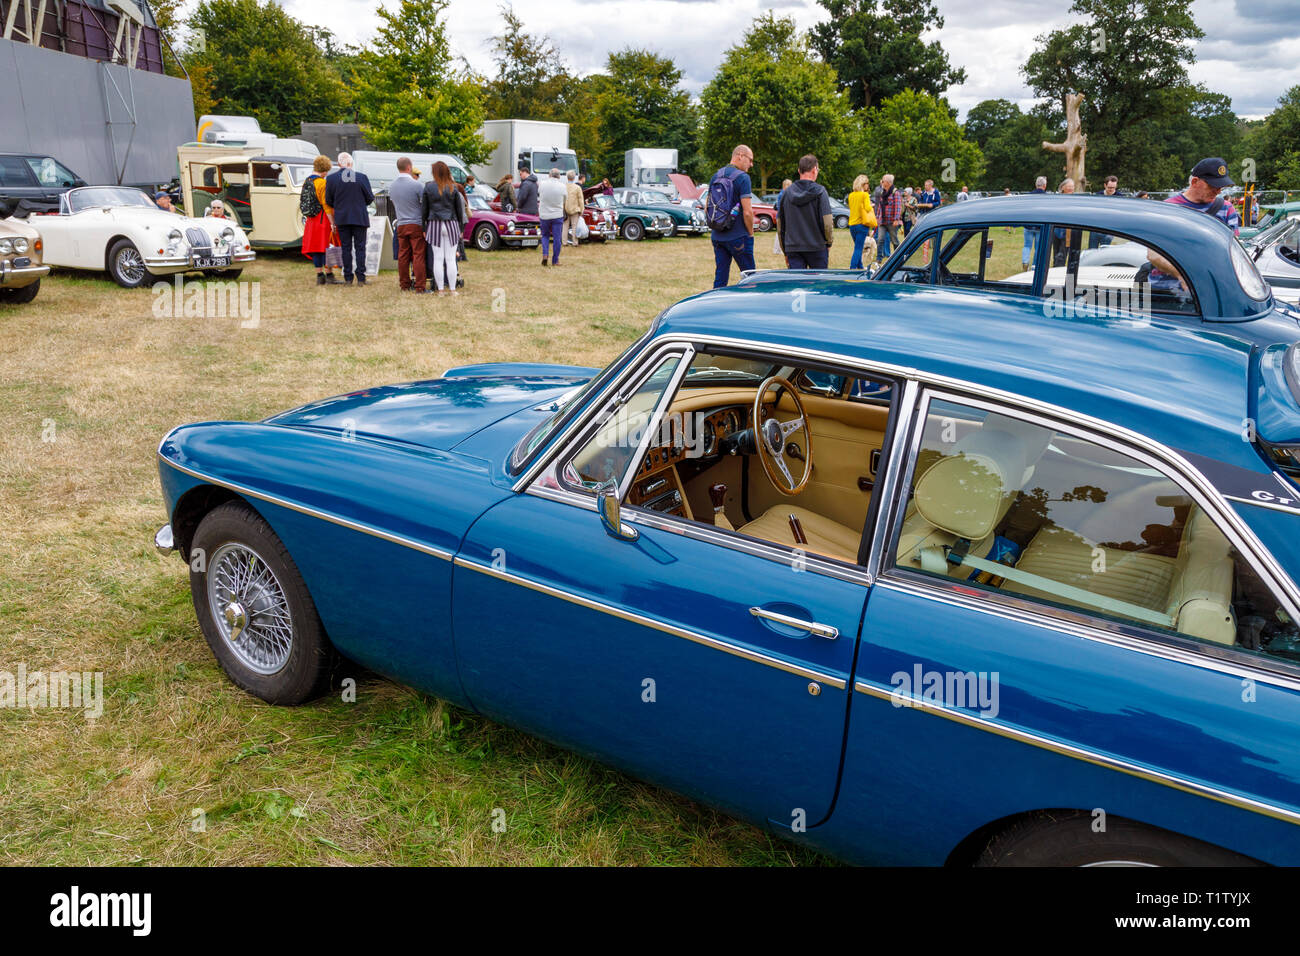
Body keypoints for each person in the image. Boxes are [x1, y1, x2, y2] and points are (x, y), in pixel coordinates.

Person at [1148, 158, 1240, 293]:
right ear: (1194, 182)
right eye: (1212, 185)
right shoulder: (1167, 208)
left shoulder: (1227, 209)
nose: (1218, 191)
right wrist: (1183, 275)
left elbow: (1233, 253)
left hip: (1208, 290)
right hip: (1165, 290)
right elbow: (1153, 255)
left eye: (1221, 186)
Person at [706, 144, 755, 288]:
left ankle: (716, 306)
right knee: (751, 278)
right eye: (750, 160)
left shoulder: (716, 176)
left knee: (720, 278)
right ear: (740, 155)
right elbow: (747, 211)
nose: (751, 165)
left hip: (718, 236)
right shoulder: (743, 178)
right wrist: (750, 234)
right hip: (738, 236)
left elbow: (706, 208)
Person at [325, 152, 375, 286]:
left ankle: (348, 278)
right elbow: (370, 198)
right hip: (359, 216)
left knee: (345, 248)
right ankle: (361, 278)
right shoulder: (361, 177)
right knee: (360, 248)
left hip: (342, 218)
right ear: (351, 164)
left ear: (339, 163)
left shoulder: (331, 179)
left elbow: (328, 201)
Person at [777, 154, 833, 270]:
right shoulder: (821, 192)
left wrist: (785, 250)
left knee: (797, 287)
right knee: (818, 286)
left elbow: (780, 225)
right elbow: (827, 222)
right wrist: (828, 243)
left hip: (793, 248)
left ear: (799, 171)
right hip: (817, 247)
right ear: (814, 170)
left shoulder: (786, 193)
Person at [422, 161, 467, 294]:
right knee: (450, 258)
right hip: (451, 224)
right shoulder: (454, 187)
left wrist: (423, 228)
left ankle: (440, 290)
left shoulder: (428, 187)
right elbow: (460, 210)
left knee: (437, 258)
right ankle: (453, 290)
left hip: (434, 224)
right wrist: (461, 230)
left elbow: (424, 210)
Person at [300, 155, 340, 285]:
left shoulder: (307, 181)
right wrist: (333, 222)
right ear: (324, 170)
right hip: (322, 219)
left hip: (311, 219)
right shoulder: (322, 183)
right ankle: (329, 275)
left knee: (316, 248)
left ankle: (319, 276)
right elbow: (326, 205)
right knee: (327, 246)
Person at [391, 157, 427, 292]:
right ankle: (420, 286)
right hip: (416, 223)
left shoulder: (392, 185)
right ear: (409, 167)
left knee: (403, 255)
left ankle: (404, 285)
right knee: (418, 255)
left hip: (401, 223)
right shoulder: (417, 185)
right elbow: (424, 206)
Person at [847, 174, 877, 270]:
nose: (868, 185)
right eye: (867, 183)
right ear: (863, 184)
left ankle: (860, 266)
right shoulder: (864, 195)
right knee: (858, 249)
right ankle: (852, 268)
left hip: (852, 225)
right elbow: (868, 208)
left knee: (858, 246)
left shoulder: (851, 195)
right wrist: (872, 205)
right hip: (862, 224)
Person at [872, 174, 904, 263]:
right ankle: (879, 258)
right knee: (880, 239)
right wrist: (877, 218)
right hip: (882, 221)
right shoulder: (883, 192)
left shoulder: (896, 193)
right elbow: (880, 207)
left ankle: (899, 257)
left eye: (883, 181)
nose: (882, 182)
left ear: (888, 182)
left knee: (894, 240)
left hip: (892, 221)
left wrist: (896, 219)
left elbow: (898, 207)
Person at [1087, 174, 1121, 248]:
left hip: (1110, 228)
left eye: (1114, 187)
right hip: (1095, 227)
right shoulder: (1097, 196)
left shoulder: (1120, 197)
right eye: (1109, 187)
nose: (1111, 189)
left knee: (1104, 251)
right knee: (1091, 250)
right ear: (1105, 185)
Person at [1023, 175, 1048, 268]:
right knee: (1038, 247)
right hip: (1039, 225)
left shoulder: (1028, 195)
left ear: (1036, 184)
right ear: (1045, 185)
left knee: (1027, 246)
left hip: (1028, 225)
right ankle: (1034, 265)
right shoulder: (1047, 197)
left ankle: (1025, 262)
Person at [563, 170, 584, 246]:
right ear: (574, 177)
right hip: (575, 209)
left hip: (565, 209)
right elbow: (580, 200)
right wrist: (582, 210)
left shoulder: (564, 186)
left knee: (565, 226)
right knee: (575, 226)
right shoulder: (577, 188)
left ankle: (564, 242)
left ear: (567, 177)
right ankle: (575, 242)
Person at [772, 178, 792, 254]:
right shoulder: (783, 194)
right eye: (789, 185)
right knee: (780, 233)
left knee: (783, 233)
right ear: (785, 185)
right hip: (781, 217)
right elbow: (781, 207)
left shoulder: (784, 193)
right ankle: (777, 250)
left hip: (784, 216)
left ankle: (782, 249)